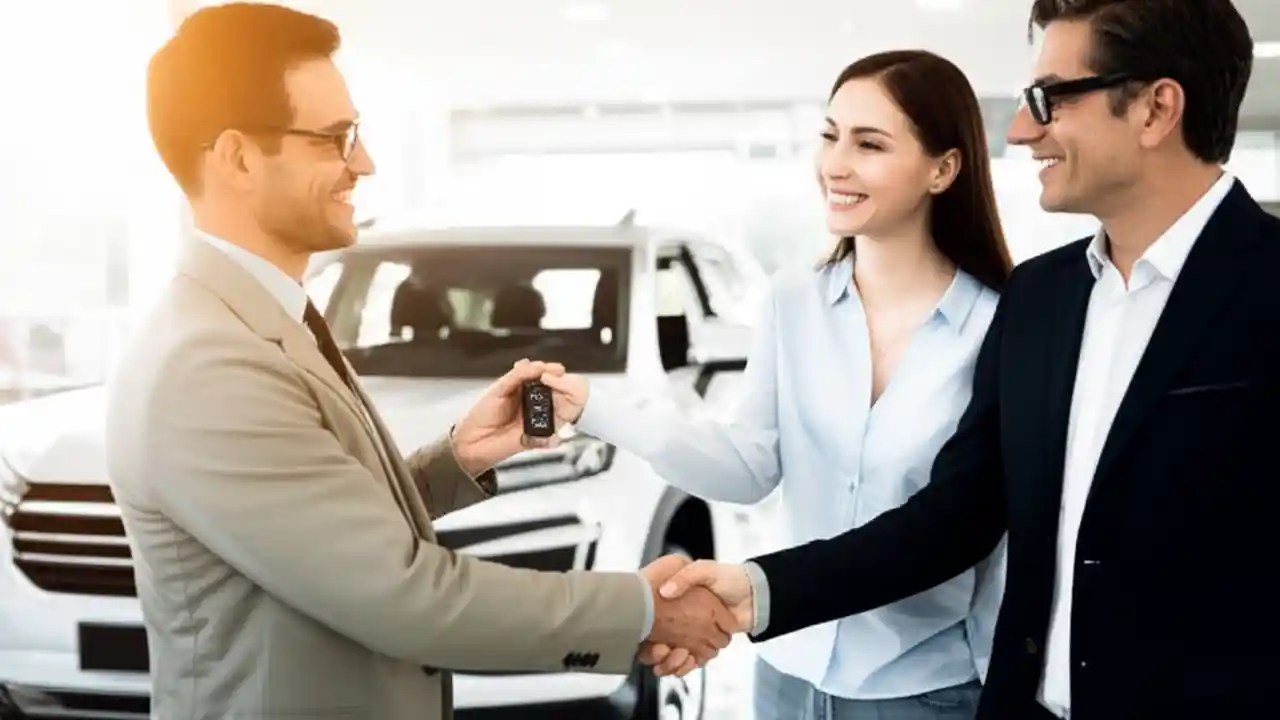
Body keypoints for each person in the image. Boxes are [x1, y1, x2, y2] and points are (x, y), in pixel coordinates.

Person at [650, 1, 1278, 718]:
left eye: (1049, 98)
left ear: (1156, 109)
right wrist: (761, 587)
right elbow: (955, 517)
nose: (1019, 130)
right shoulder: (1042, 299)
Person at [104, 5, 732, 719]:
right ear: (239, 159)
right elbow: (409, 599)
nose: (363, 163)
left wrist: (453, 461)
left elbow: (319, 524)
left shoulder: (261, 319)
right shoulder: (208, 364)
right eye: (335, 139)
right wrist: (642, 610)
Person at [540, 50, 1013, 719]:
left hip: (924, 689)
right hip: (787, 675)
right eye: (829, 136)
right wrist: (595, 408)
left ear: (943, 168)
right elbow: (751, 466)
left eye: (869, 144)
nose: (836, 165)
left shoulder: (1000, 326)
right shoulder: (793, 301)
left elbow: (956, 523)